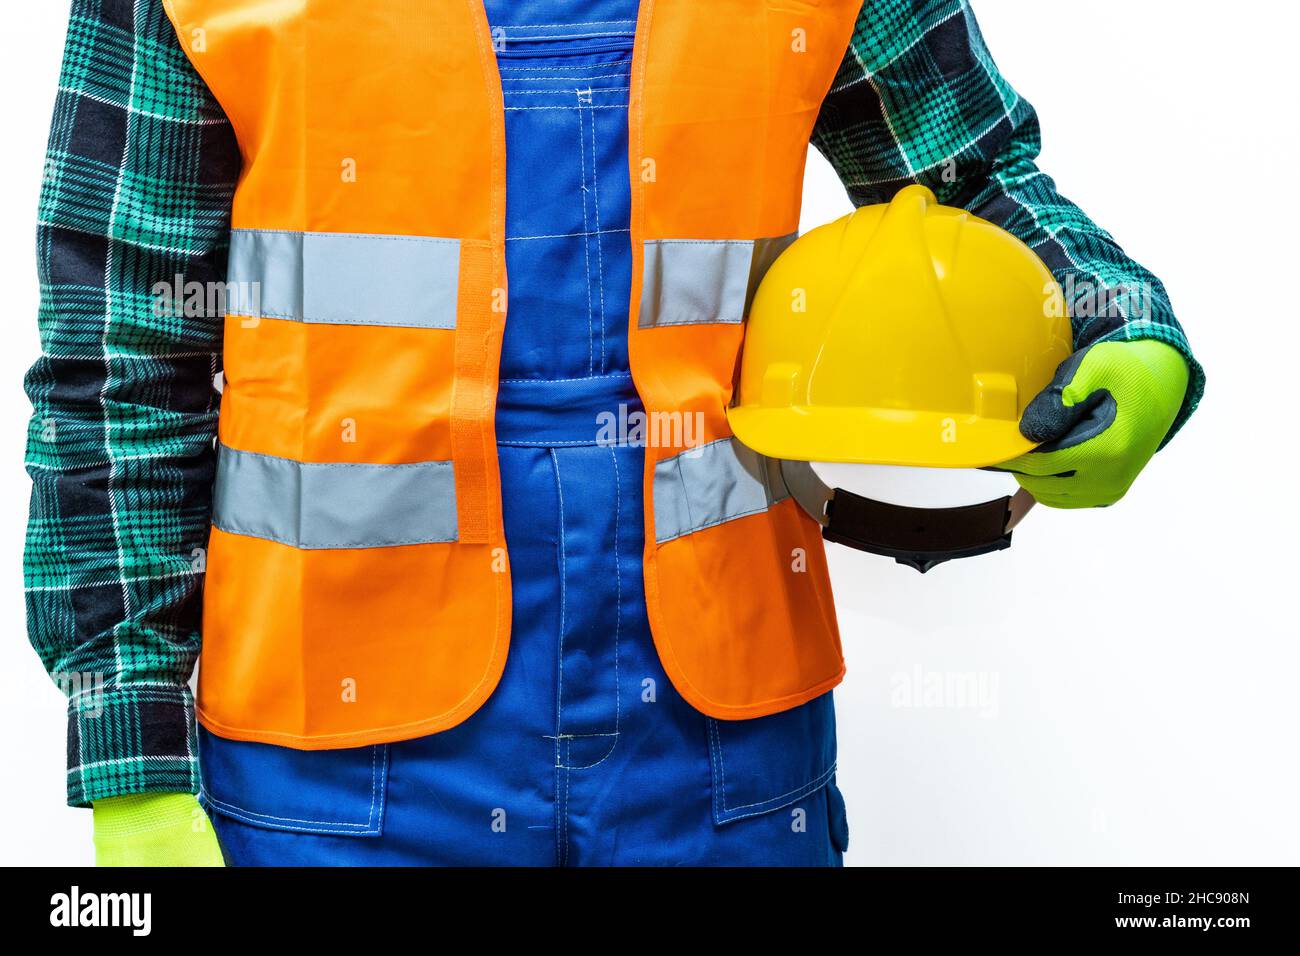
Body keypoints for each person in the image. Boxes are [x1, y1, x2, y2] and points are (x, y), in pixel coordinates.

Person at [25, 0, 1202, 866]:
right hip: (331, 775)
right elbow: (118, 347)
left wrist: (1121, 324)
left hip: (718, 751)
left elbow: (975, 181)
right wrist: (130, 764)